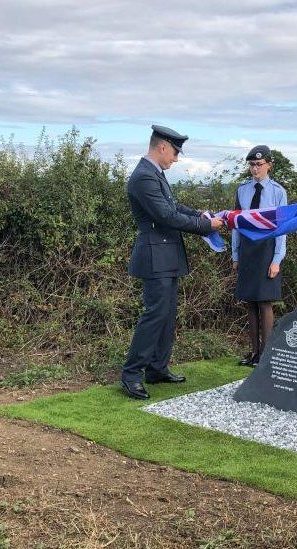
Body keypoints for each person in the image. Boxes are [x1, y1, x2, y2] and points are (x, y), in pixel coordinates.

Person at [120, 125, 224, 400]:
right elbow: (166, 216)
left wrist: (199, 213)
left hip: (167, 256)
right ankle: (132, 374)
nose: (176, 159)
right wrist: (205, 225)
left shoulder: (155, 174)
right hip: (155, 257)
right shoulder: (144, 176)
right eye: (175, 153)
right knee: (154, 315)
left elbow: (175, 206)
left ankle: (157, 368)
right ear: (163, 146)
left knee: (166, 315)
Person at [231, 145, 288, 366]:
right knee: (249, 301)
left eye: (259, 165)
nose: (255, 169)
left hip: (267, 248)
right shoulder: (242, 190)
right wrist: (235, 255)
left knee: (264, 302)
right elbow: (235, 224)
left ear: (269, 165)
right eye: (252, 165)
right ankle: (254, 352)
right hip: (248, 249)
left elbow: (282, 227)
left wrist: (277, 259)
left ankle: (266, 355)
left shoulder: (277, 191)